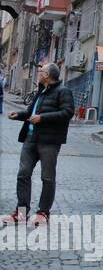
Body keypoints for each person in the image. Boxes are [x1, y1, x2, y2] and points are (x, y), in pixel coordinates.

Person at [2, 63, 74, 227]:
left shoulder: (63, 91)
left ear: (47, 74)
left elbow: (67, 113)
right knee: (23, 174)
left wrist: (42, 118)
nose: (38, 73)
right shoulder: (40, 92)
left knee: (47, 178)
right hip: (30, 138)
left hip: (49, 142)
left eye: (40, 71)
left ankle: (43, 212)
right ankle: (21, 213)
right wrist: (18, 115)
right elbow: (30, 114)